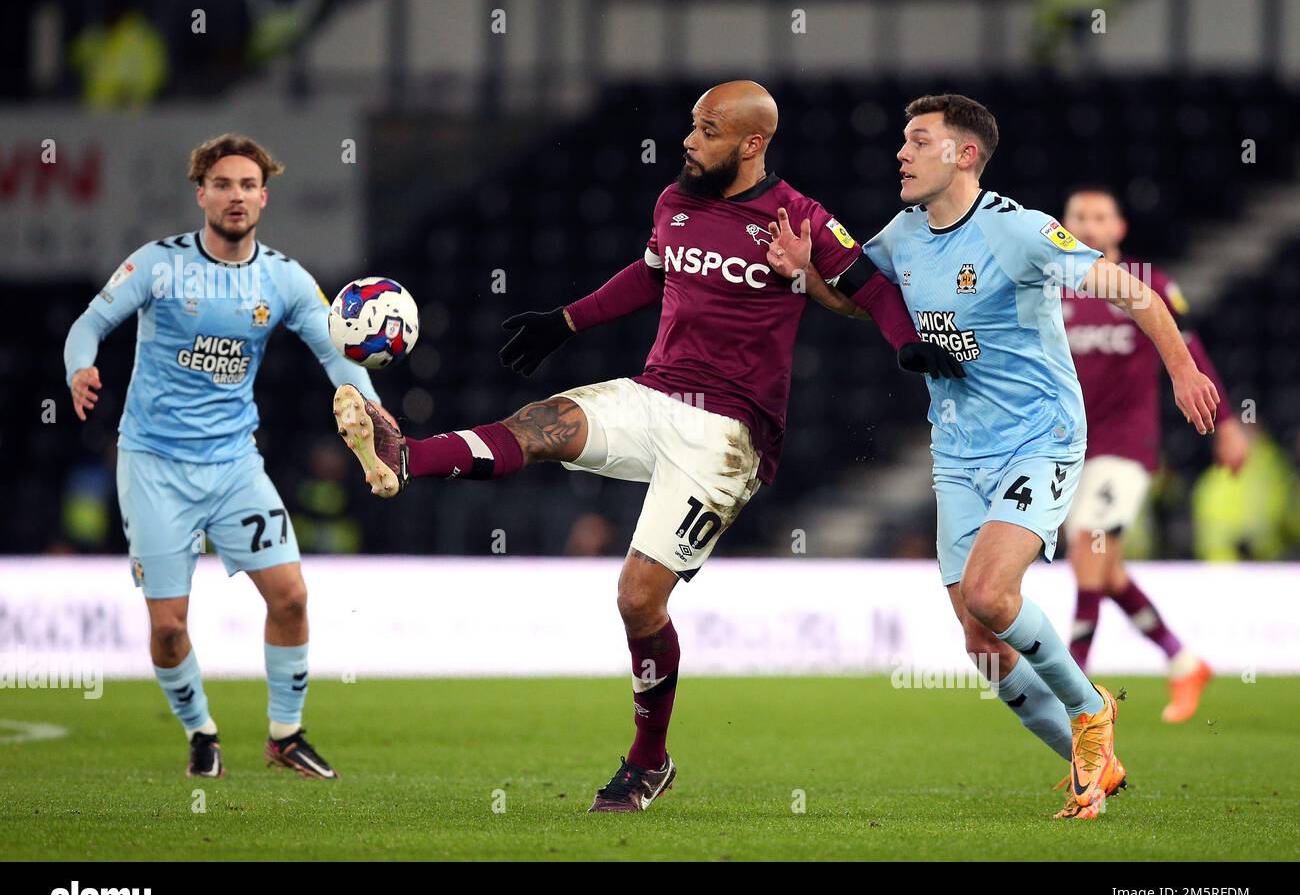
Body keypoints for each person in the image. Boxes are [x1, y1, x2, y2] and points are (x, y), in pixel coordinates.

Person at [333, 80, 960, 813]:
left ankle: (648, 760)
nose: (690, 142)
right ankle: (408, 457)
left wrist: (909, 346)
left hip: (730, 435)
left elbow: (875, 289)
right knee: (549, 420)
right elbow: (649, 275)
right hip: (655, 391)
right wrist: (562, 323)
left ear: (753, 143)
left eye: (709, 130)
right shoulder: (675, 202)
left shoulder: (799, 217)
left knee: (636, 599)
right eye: (692, 126)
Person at [764, 94, 1219, 819]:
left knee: (990, 596)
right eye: (903, 142)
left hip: (1039, 439)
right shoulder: (905, 232)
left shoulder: (1023, 233)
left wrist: (1185, 372)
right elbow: (863, 301)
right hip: (957, 450)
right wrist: (803, 275)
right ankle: (1094, 766)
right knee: (980, 641)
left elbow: (1137, 294)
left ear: (963, 154)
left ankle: (1091, 711)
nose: (901, 154)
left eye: (918, 141)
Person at [63, 133, 392, 779]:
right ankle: (200, 731)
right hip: (153, 465)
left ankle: (285, 733)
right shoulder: (158, 265)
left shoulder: (284, 279)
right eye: (223, 185)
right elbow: (88, 326)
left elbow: (335, 353)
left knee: (292, 596)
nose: (235, 196)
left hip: (235, 464)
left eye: (247, 186)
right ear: (201, 196)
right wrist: (80, 368)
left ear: (264, 199)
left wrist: (372, 410)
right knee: (168, 628)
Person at [1060, 185, 1248, 721]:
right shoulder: (1051, 289)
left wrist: (1228, 424)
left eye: (1100, 218)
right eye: (1080, 217)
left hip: (1126, 446)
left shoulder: (1148, 285)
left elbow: (1191, 351)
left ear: (1119, 229)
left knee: (1090, 549)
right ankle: (1183, 660)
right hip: (1068, 449)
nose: (1090, 227)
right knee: (1105, 568)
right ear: (1062, 225)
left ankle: (1075, 684)